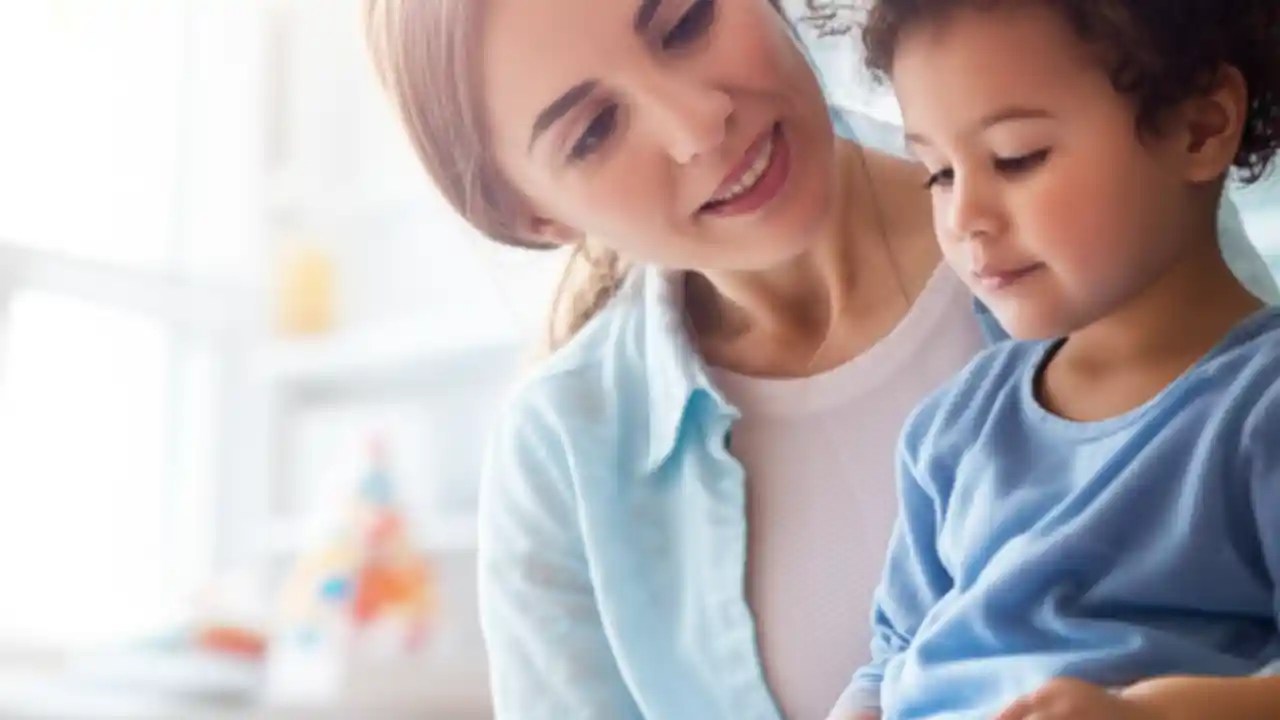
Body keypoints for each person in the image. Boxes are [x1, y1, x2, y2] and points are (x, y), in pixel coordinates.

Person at [361, 1, 1276, 717]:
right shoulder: (560, 457)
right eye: (593, 132)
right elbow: (890, 658)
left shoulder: (1109, 197)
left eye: (685, 21)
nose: (698, 124)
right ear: (535, 217)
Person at [833, 1, 1280, 718]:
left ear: (1199, 127)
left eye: (1016, 158)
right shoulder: (953, 428)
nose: (965, 216)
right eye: (939, 173)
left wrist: (1150, 715)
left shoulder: (1260, 407)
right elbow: (891, 660)